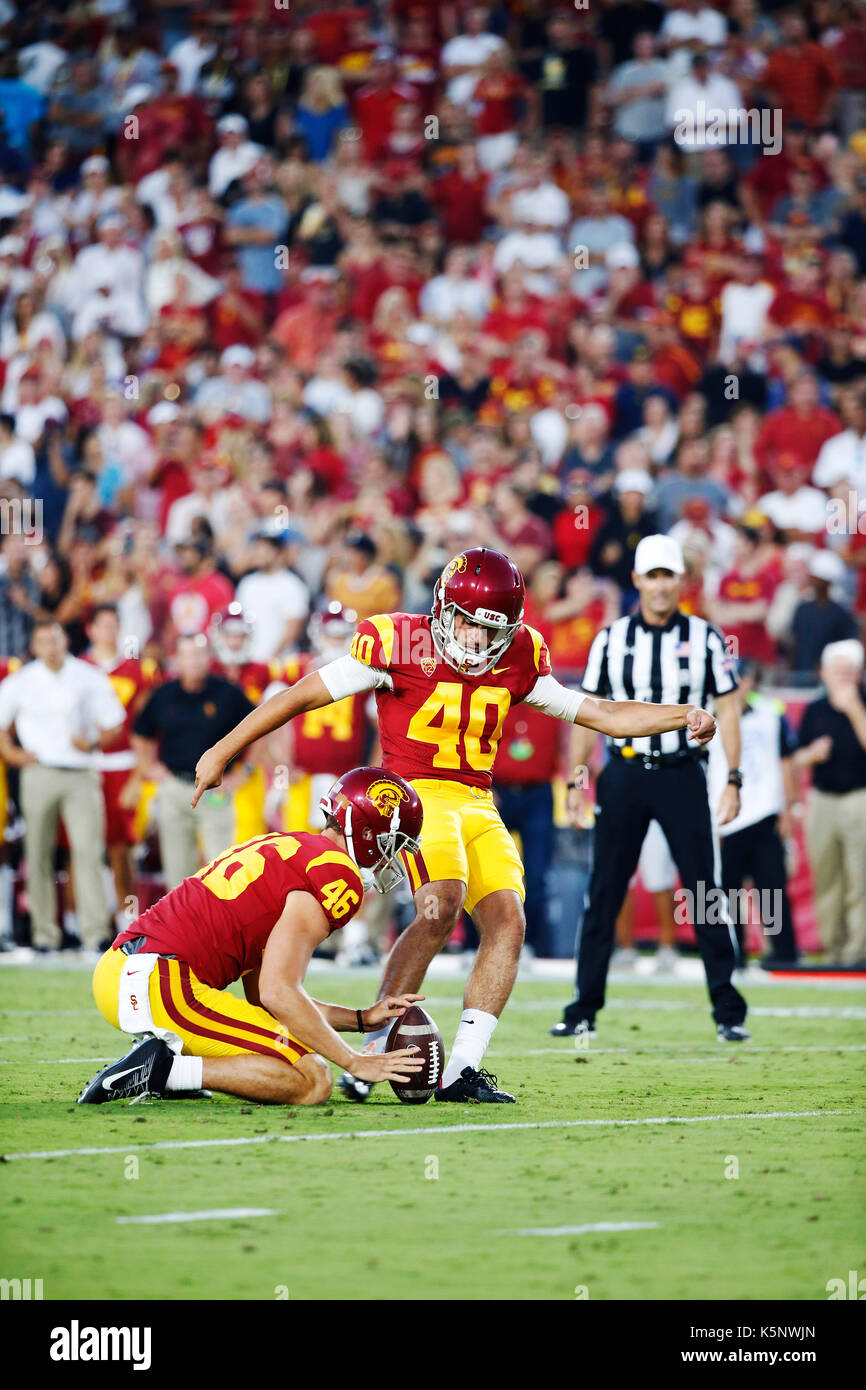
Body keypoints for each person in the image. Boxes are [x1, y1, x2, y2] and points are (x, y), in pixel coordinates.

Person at [193, 546, 718, 1103]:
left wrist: (681, 716)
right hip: (413, 795)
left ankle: (462, 1068)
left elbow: (603, 714)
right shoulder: (396, 639)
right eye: (465, 624)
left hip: (477, 798)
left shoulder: (519, 653)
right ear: (443, 608)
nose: (473, 640)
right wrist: (223, 750)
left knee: (508, 919)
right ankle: (369, 1052)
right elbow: (301, 696)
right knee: (439, 905)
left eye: (487, 630)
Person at [79, 767, 426, 1107]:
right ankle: (163, 1071)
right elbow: (279, 992)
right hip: (163, 982)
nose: (391, 856)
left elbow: (266, 998)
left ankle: (166, 1066)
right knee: (313, 1080)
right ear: (366, 833)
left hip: (123, 971)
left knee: (297, 1062)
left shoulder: (289, 845)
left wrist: (361, 1020)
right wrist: (353, 1061)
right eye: (391, 843)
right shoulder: (335, 873)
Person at [551, 534, 749, 1043]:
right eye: (652, 575)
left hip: (684, 773)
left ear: (681, 580)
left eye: (669, 575)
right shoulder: (611, 638)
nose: (661, 585)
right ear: (636, 580)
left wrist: (732, 777)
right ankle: (582, 1009)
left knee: (704, 892)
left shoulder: (707, 637)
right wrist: (578, 778)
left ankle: (728, 1011)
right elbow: (584, 712)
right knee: (605, 891)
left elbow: (728, 709)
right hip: (624, 773)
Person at [0, 619, 126, 953]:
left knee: (88, 852)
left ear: (64, 641)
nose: (50, 648)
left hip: (81, 772)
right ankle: (44, 935)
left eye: (54, 640)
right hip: (38, 770)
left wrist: (94, 742)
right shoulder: (22, 681)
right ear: (35, 646)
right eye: (43, 642)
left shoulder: (87, 676)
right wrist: (11, 753)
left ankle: (95, 932)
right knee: (37, 852)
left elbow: (114, 722)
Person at [131, 633, 257, 888]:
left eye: (199, 654)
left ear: (209, 657)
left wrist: (245, 771)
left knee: (222, 865)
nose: (194, 661)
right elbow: (140, 732)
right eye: (187, 655)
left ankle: (224, 925)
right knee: (176, 868)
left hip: (215, 788)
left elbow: (261, 727)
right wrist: (148, 767)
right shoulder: (164, 694)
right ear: (176, 660)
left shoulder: (227, 693)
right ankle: (181, 926)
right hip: (175, 785)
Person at [709, 659, 801, 967]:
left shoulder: (771, 715)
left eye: (742, 679)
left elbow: (786, 762)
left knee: (772, 890)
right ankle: (734, 956)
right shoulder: (709, 717)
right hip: (726, 817)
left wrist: (789, 808)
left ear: (751, 682)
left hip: (764, 814)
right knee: (729, 892)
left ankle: (784, 956)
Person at [795, 639, 866, 966]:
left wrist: (853, 709)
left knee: (860, 878)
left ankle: (858, 951)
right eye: (837, 671)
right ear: (823, 673)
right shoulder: (815, 709)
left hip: (859, 798)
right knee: (827, 878)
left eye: (849, 670)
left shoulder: (861, 704)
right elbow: (794, 757)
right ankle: (832, 948)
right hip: (822, 799)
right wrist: (810, 755)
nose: (843, 677)